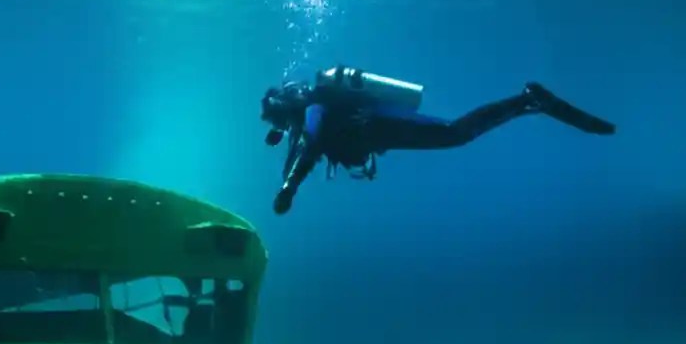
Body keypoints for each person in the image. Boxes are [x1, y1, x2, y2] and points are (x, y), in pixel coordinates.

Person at [261, 65, 616, 215]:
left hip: (381, 125)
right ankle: (528, 104)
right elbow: (301, 148)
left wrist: (290, 188)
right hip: (381, 128)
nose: (281, 128)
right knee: (455, 134)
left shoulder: (314, 108)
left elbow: (308, 142)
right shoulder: (310, 113)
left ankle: (527, 99)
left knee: (455, 133)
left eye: (276, 119)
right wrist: (289, 183)